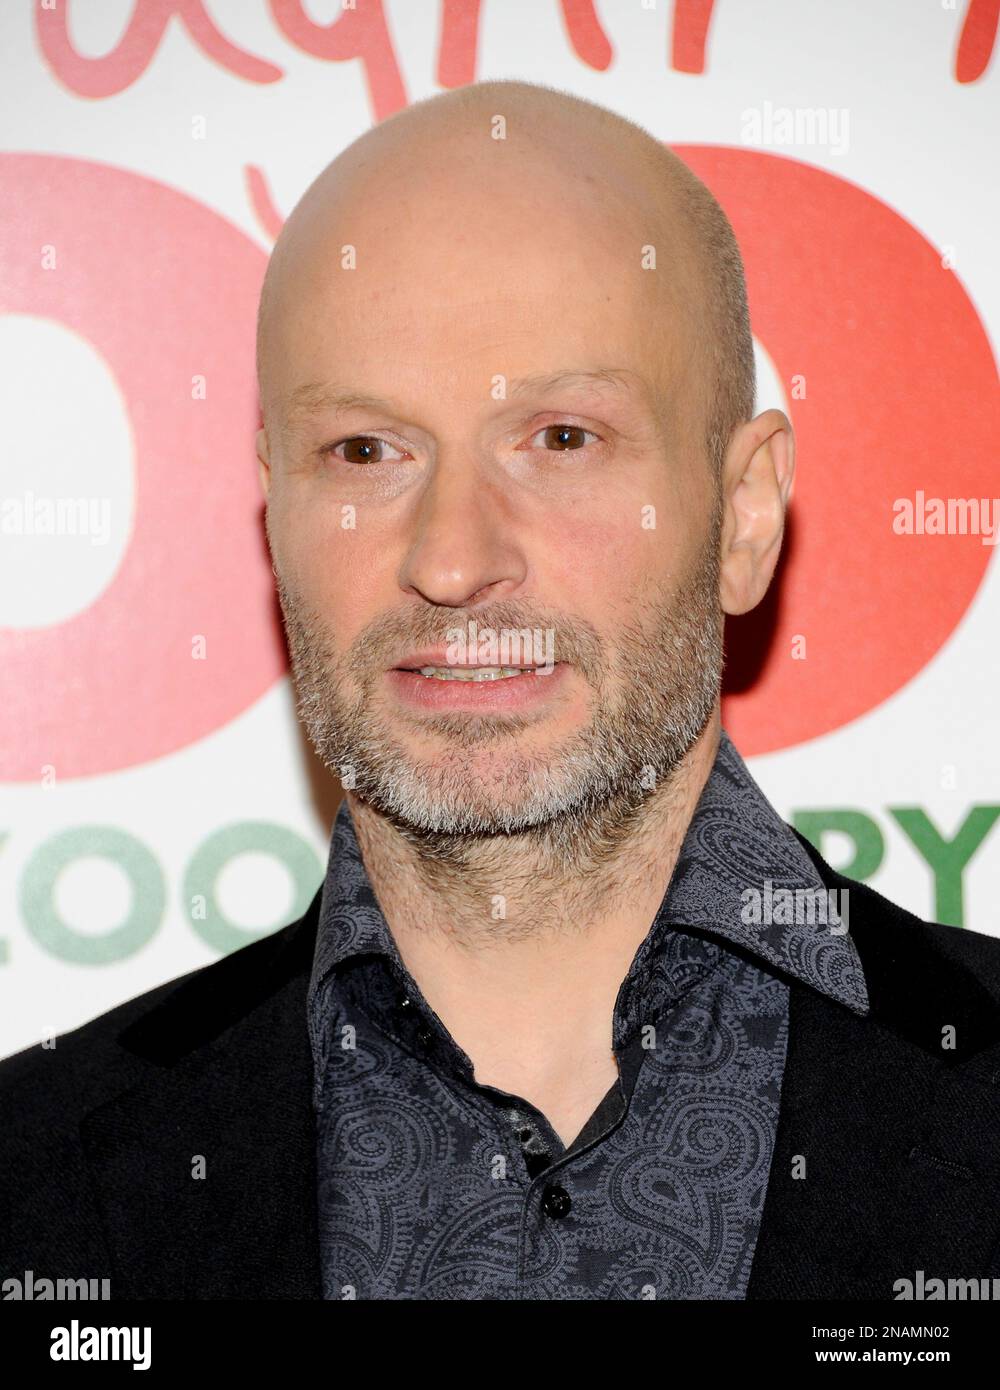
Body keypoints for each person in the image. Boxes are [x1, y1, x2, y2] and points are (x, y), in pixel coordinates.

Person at [3, 80, 999, 1302]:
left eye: (561, 438)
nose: (451, 557)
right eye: (365, 450)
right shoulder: (30, 1180)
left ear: (743, 514)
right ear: (276, 516)